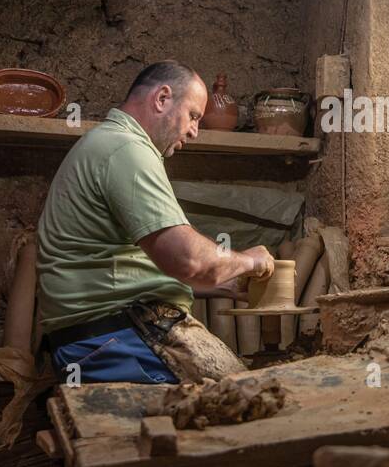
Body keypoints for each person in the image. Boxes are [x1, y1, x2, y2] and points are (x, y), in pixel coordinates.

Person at [35, 59, 273, 383]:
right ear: (162, 99)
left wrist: (227, 284)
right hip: (115, 338)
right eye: (193, 116)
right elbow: (186, 260)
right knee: (252, 400)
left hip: (97, 336)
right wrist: (248, 261)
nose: (194, 131)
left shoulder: (108, 142)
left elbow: (130, 267)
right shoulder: (126, 148)